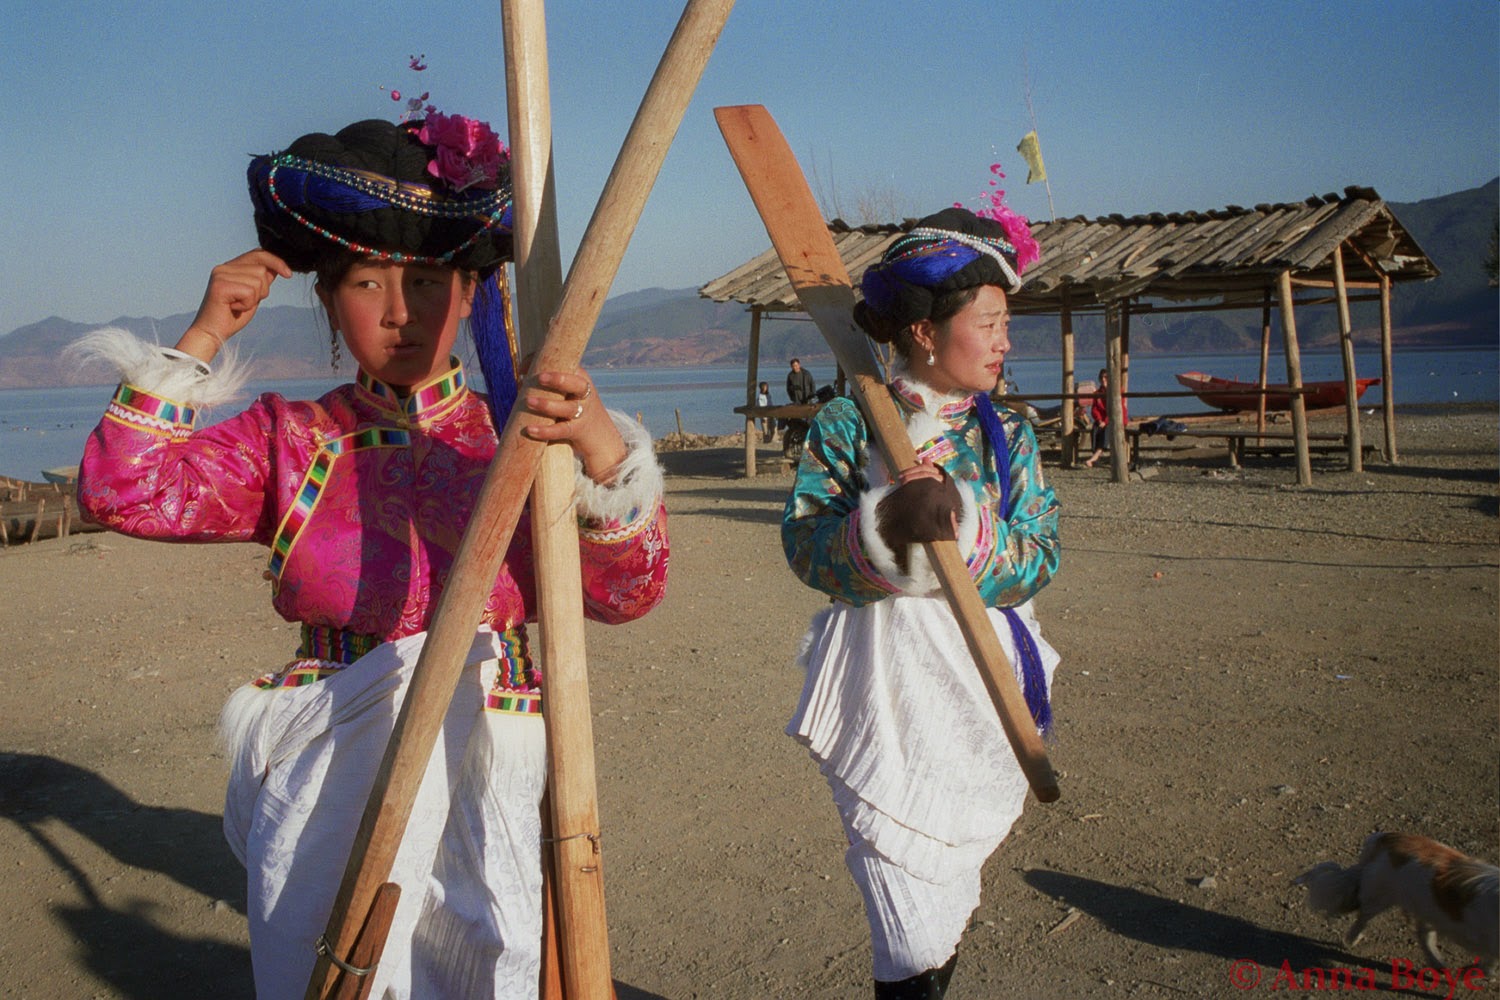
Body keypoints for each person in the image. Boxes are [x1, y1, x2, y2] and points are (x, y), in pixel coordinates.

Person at [71, 114, 669, 998]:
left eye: (429, 281)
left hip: (492, 770)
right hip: (332, 781)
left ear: (471, 293)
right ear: (325, 298)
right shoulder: (293, 439)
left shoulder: (525, 443)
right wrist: (204, 333)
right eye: (365, 282)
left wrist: (601, 453)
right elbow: (122, 491)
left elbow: (628, 595)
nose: (400, 313)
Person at [781, 207, 1060, 999]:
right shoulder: (846, 426)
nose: (1006, 341)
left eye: (1007, 322)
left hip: (982, 689)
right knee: (901, 903)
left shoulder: (1009, 432)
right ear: (925, 332)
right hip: (887, 688)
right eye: (990, 322)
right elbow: (805, 546)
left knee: (947, 892)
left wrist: (964, 526)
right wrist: (883, 533)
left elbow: (1040, 555)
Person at [1083, 367, 1127, 467]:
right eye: (1101, 377)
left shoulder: (1118, 391)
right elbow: (1094, 409)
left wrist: (1106, 421)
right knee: (1095, 429)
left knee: (1107, 430)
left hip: (1115, 419)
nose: (1103, 379)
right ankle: (1095, 454)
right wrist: (1099, 420)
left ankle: (1094, 458)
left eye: (1106, 377)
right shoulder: (1097, 393)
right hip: (1102, 420)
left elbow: (1116, 409)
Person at [783, 359, 818, 458]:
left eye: (796, 365)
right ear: (791, 367)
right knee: (798, 418)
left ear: (799, 365)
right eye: (793, 366)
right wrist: (792, 397)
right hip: (797, 400)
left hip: (807, 399)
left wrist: (812, 395)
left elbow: (812, 384)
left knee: (809, 418)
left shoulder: (806, 373)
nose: (795, 367)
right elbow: (788, 388)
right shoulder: (790, 376)